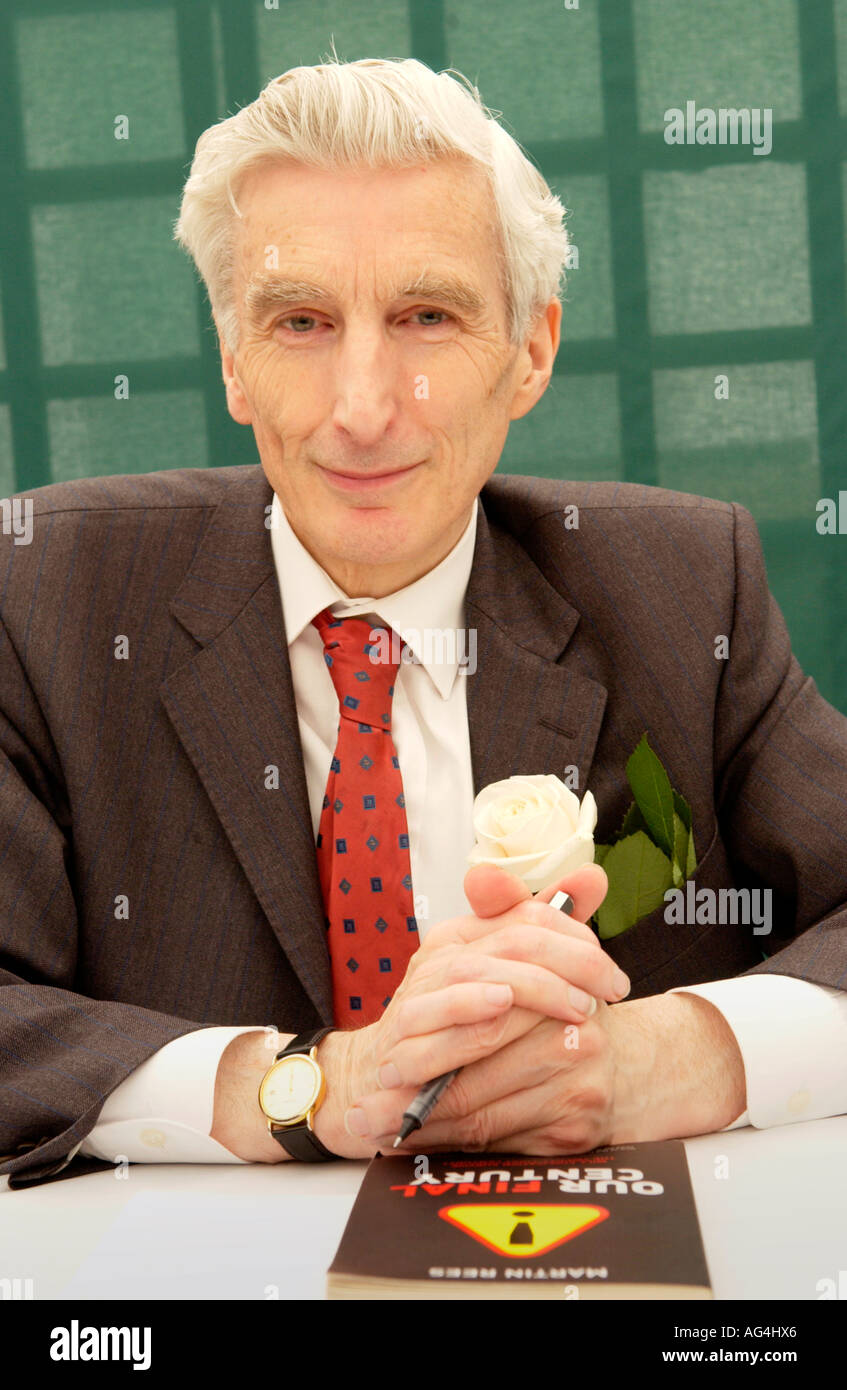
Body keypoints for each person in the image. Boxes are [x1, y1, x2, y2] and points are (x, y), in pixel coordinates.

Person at [2, 56, 846, 1190]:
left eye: (426, 315)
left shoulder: (687, 590)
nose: (360, 408)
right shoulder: (46, 596)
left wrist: (668, 1057)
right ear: (232, 357)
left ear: (530, 349)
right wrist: (305, 1086)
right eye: (299, 320)